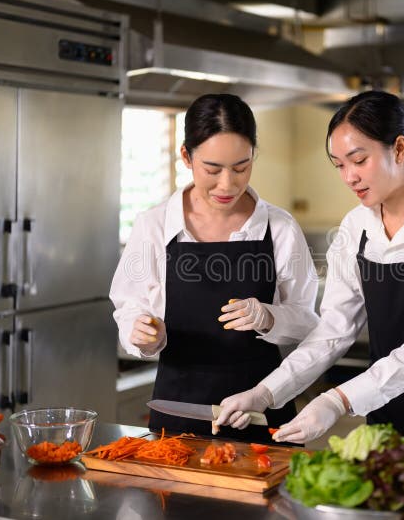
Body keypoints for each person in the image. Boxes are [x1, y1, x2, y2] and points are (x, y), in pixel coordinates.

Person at [216, 90, 404, 470]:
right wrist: (266, 393)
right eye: (338, 165)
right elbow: (334, 328)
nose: (349, 177)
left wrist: (337, 401)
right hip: (384, 400)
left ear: (399, 149)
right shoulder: (356, 227)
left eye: (359, 160)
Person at [110, 94, 319, 443]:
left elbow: (307, 319)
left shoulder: (279, 227)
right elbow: (129, 306)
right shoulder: (155, 225)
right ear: (186, 157)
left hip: (261, 410)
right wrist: (145, 336)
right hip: (177, 411)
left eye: (241, 167)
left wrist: (269, 317)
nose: (228, 184)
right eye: (212, 169)